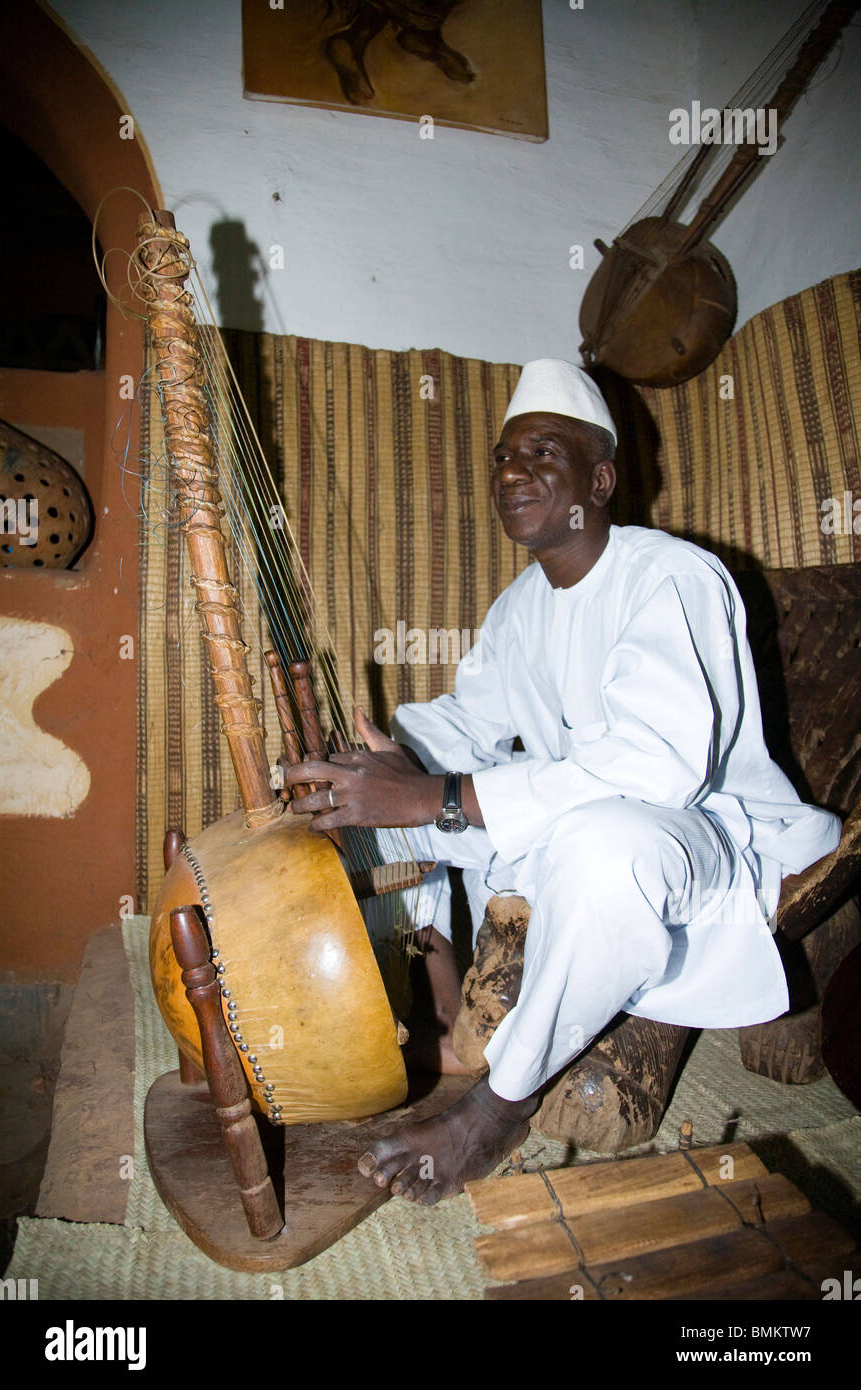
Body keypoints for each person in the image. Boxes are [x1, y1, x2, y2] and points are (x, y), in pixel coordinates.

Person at [286, 359, 841, 1205]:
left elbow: (656, 767)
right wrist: (367, 763)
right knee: (381, 810)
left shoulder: (670, 577)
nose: (513, 473)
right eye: (504, 458)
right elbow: (467, 723)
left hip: (709, 838)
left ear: (601, 477)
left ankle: (497, 1108)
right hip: (581, 828)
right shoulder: (518, 609)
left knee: (598, 840)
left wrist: (438, 797)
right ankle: (439, 989)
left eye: (542, 452)